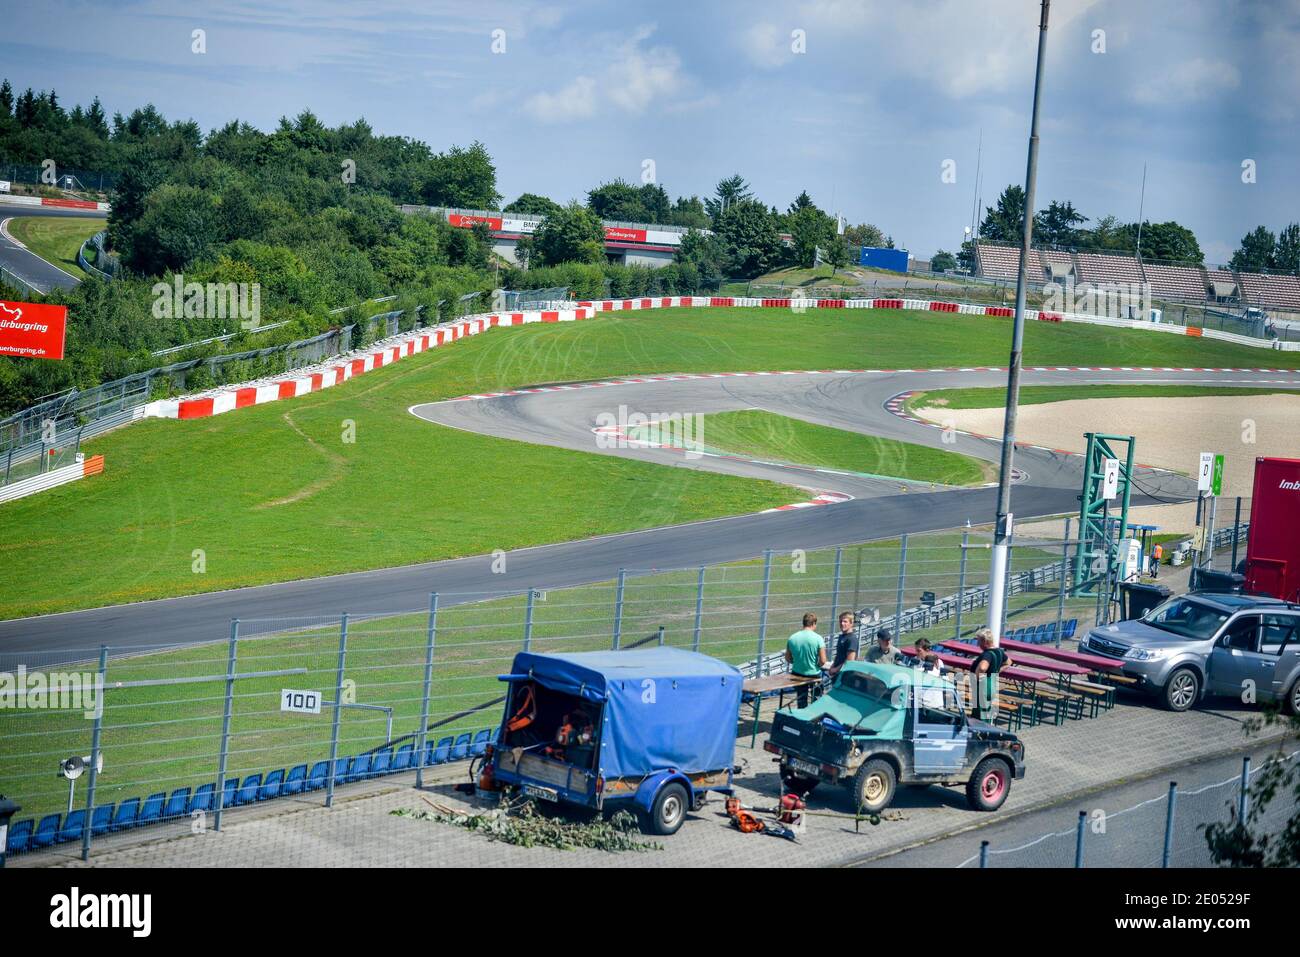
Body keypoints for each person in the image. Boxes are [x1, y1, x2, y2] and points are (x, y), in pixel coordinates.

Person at [785, 612, 827, 708]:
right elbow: (823, 660)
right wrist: (818, 665)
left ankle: (801, 718)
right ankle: (814, 719)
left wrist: (797, 662)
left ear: (803, 623)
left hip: (797, 673)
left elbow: (788, 658)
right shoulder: (818, 639)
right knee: (817, 699)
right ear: (814, 624)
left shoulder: (792, 638)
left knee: (801, 699)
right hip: (814, 674)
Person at [970, 627, 1012, 719]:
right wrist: (997, 671)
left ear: (985, 641)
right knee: (986, 711)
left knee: (979, 714)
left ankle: (981, 731)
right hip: (991, 684)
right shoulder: (1000, 652)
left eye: (979, 641)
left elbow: (982, 667)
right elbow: (1009, 662)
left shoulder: (987, 654)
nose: (978, 644)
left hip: (983, 685)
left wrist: (976, 678)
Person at [827, 611, 858, 678]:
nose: (842, 623)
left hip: (845, 676)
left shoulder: (852, 639)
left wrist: (835, 669)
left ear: (851, 623)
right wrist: (832, 666)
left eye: (845, 621)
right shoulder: (841, 637)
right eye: (840, 621)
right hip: (837, 674)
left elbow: (850, 660)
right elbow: (838, 655)